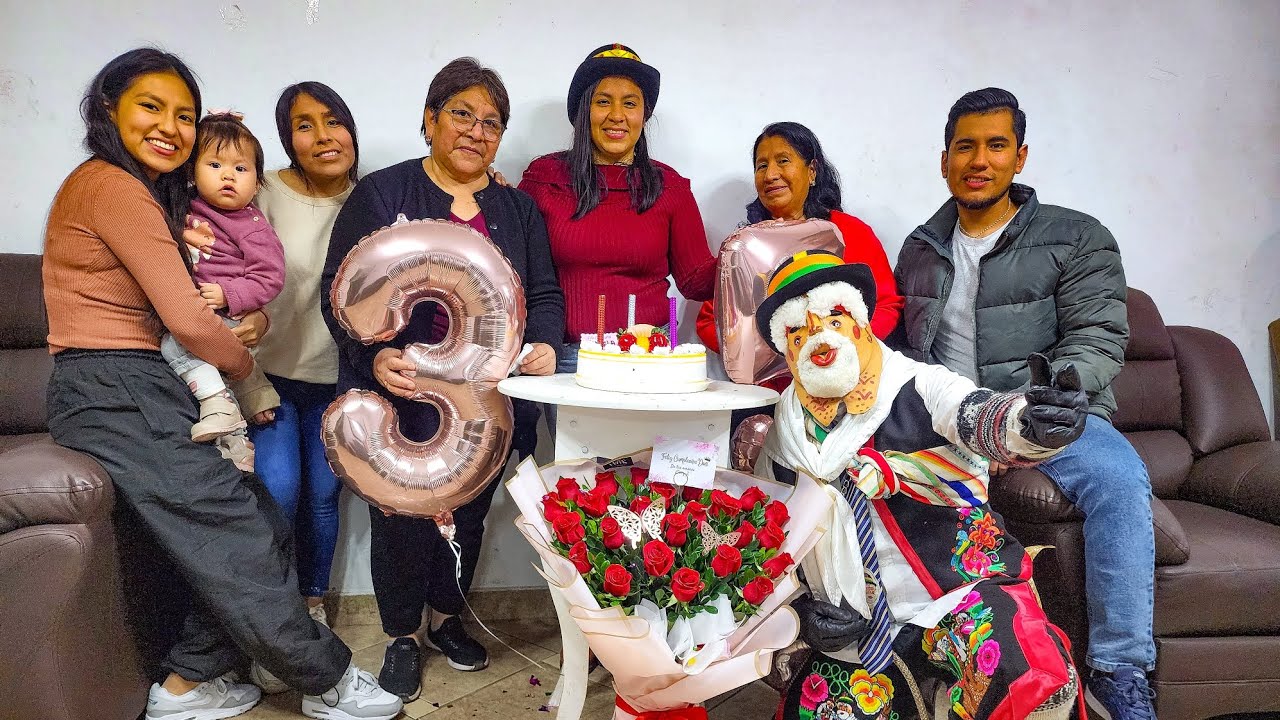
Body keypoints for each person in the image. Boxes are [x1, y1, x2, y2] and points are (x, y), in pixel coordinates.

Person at [41, 48, 400, 720]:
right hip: (113, 385)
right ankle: (327, 680)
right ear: (108, 109)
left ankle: (186, 684)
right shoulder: (111, 185)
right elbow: (186, 316)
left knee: (260, 516)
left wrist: (246, 316)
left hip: (142, 383)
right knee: (237, 526)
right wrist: (245, 371)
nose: (169, 126)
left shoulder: (155, 194)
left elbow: (228, 229)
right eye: (151, 107)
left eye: (183, 114)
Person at [893, 87, 1156, 719]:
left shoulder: (1077, 237)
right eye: (965, 146)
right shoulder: (921, 247)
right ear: (944, 159)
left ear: (1020, 156)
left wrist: (1036, 413)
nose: (978, 159)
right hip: (952, 421)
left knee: (1120, 479)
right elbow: (904, 349)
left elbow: (1098, 338)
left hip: (1053, 417)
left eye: (995, 145)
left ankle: (1120, 670)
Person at [322, 57, 564, 703]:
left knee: (472, 516)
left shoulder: (516, 209)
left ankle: (448, 620)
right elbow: (338, 291)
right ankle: (402, 635)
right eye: (462, 114)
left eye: (491, 122)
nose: (476, 131)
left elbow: (543, 292)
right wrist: (368, 357)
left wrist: (543, 341)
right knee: (401, 521)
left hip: (488, 405)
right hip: (403, 398)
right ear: (430, 120)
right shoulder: (383, 193)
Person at [751, 252, 1085, 719]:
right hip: (861, 632)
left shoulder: (917, 383)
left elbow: (976, 415)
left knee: (1023, 678)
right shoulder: (781, 437)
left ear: (861, 322)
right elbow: (773, 544)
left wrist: (1030, 422)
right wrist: (804, 614)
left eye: (832, 319)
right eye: (798, 332)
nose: (817, 339)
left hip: (960, 594)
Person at [240, 81, 361, 694]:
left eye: (332, 120)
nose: (322, 136)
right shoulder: (259, 192)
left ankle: (310, 611)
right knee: (278, 490)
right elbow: (204, 188)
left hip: (338, 379)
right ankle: (271, 620)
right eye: (304, 125)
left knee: (323, 499)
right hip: (269, 377)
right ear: (287, 140)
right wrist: (211, 136)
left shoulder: (372, 200)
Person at [519, 43, 716, 370]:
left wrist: (746, 250)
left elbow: (695, 281)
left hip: (651, 353)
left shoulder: (671, 187)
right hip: (567, 357)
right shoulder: (544, 179)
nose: (617, 116)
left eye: (630, 103)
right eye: (603, 101)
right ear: (585, 111)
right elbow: (516, 266)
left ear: (643, 114)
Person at [695, 121, 903, 384]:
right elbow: (709, 320)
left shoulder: (849, 232)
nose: (770, 174)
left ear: (812, 171)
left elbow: (887, 305)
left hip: (843, 385)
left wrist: (846, 346)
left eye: (783, 161)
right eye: (761, 166)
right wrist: (765, 352)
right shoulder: (748, 246)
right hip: (771, 392)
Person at [163, 111, 284, 472]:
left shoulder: (252, 226)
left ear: (258, 183)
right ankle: (237, 445)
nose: (228, 175)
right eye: (215, 164)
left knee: (174, 345)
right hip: (196, 310)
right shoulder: (184, 204)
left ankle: (218, 403)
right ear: (191, 171)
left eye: (241, 169)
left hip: (226, 315)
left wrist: (229, 293)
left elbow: (270, 277)